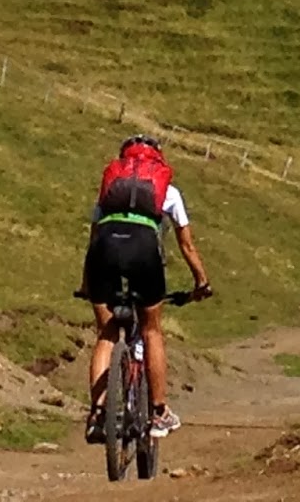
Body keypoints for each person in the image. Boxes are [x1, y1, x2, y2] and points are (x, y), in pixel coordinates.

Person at [81, 134, 212, 443]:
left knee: (107, 334)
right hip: (143, 251)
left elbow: (93, 240)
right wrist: (201, 282)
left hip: (104, 250)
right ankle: (158, 412)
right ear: (158, 159)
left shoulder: (110, 187)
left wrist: (86, 285)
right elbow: (187, 245)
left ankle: (97, 416)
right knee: (151, 330)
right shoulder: (168, 189)